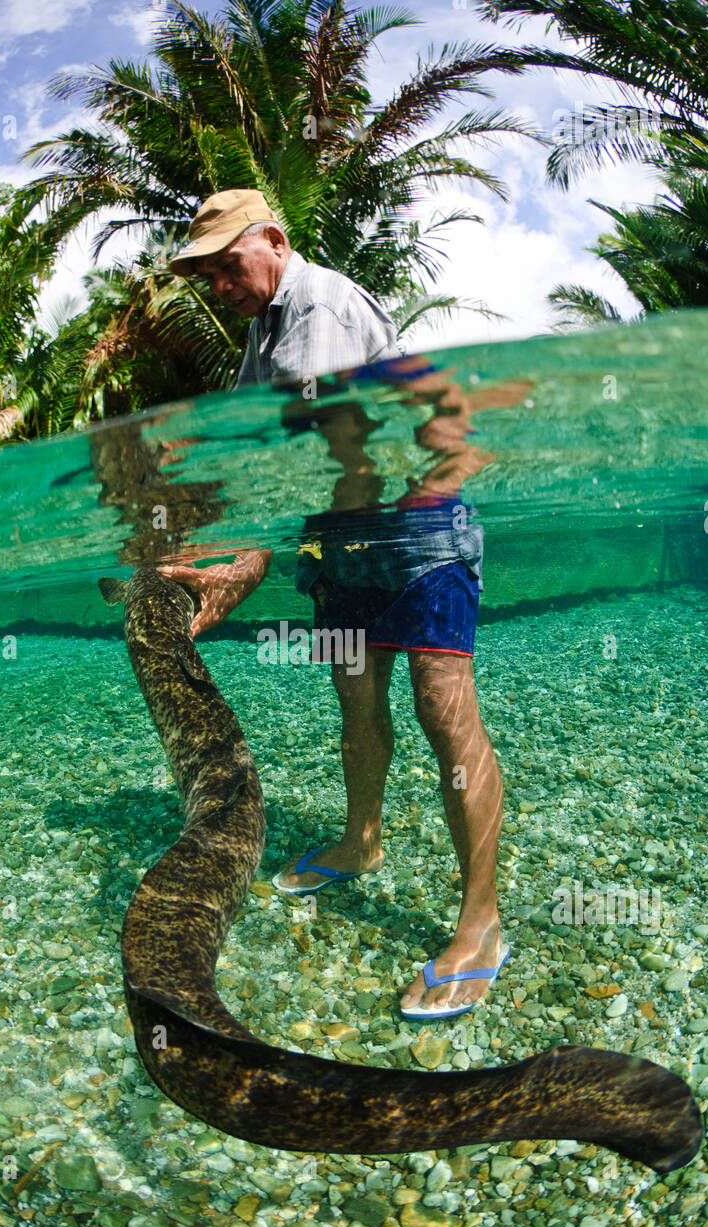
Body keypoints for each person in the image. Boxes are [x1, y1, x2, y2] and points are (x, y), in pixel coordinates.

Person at [160, 188, 509, 1019]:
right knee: (356, 704)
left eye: (224, 264)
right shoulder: (262, 332)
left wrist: (251, 556)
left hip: (413, 533)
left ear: (271, 242)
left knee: (442, 712)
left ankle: (483, 923)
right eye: (203, 275)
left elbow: (319, 447)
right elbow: (256, 448)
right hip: (342, 541)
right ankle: (360, 841)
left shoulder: (315, 303)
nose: (216, 285)